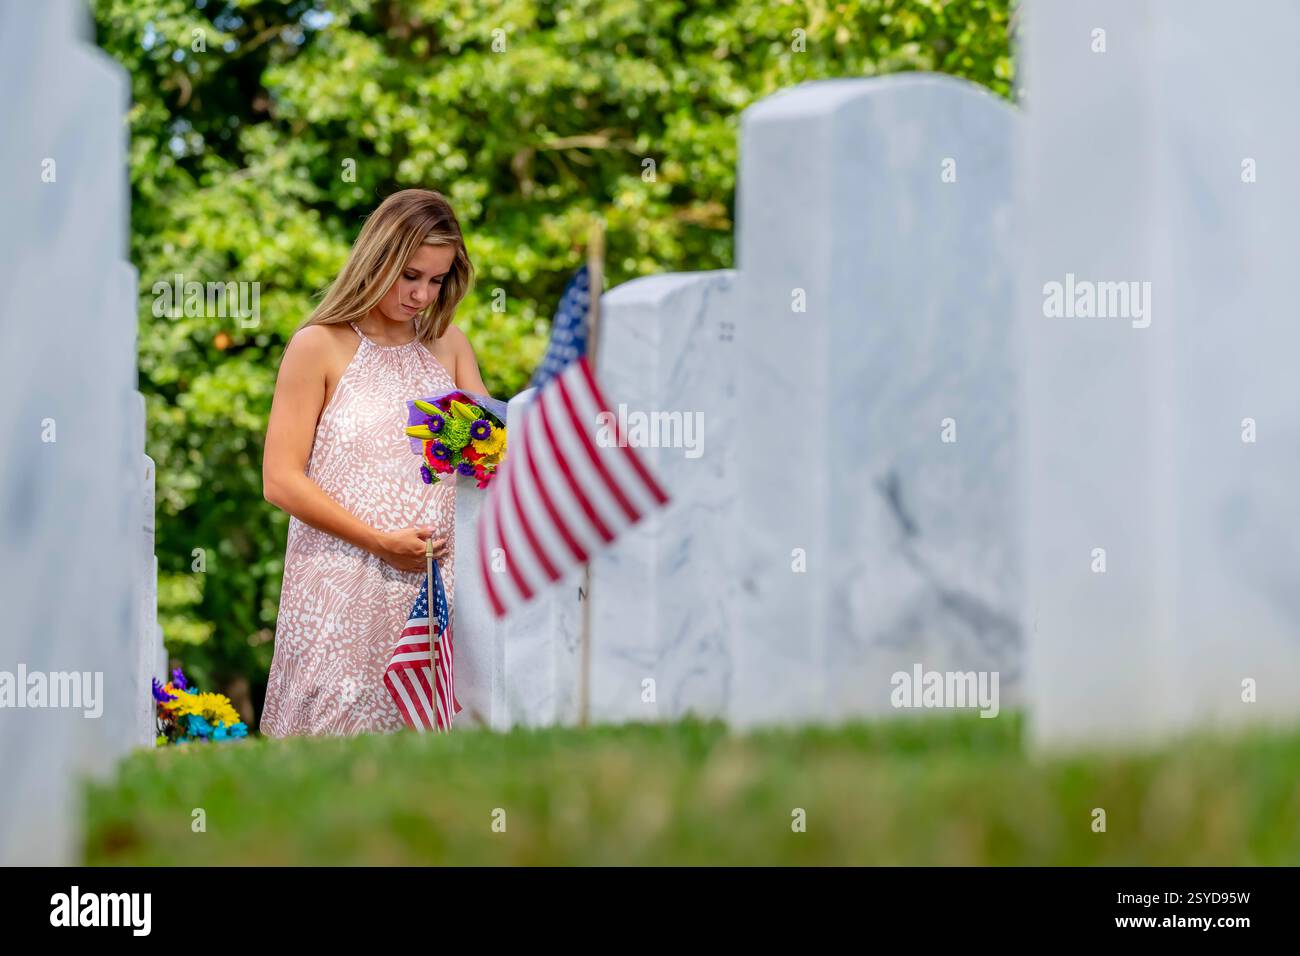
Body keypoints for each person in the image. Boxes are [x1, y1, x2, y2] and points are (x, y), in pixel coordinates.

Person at [260, 188, 491, 736]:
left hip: (434, 586)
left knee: (423, 762)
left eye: (436, 281)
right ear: (377, 258)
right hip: (339, 580)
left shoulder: (449, 346)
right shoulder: (318, 346)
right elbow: (280, 480)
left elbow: (485, 463)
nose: (421, 294)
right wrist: (379, 540)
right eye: (410, 275)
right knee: (331, 752)